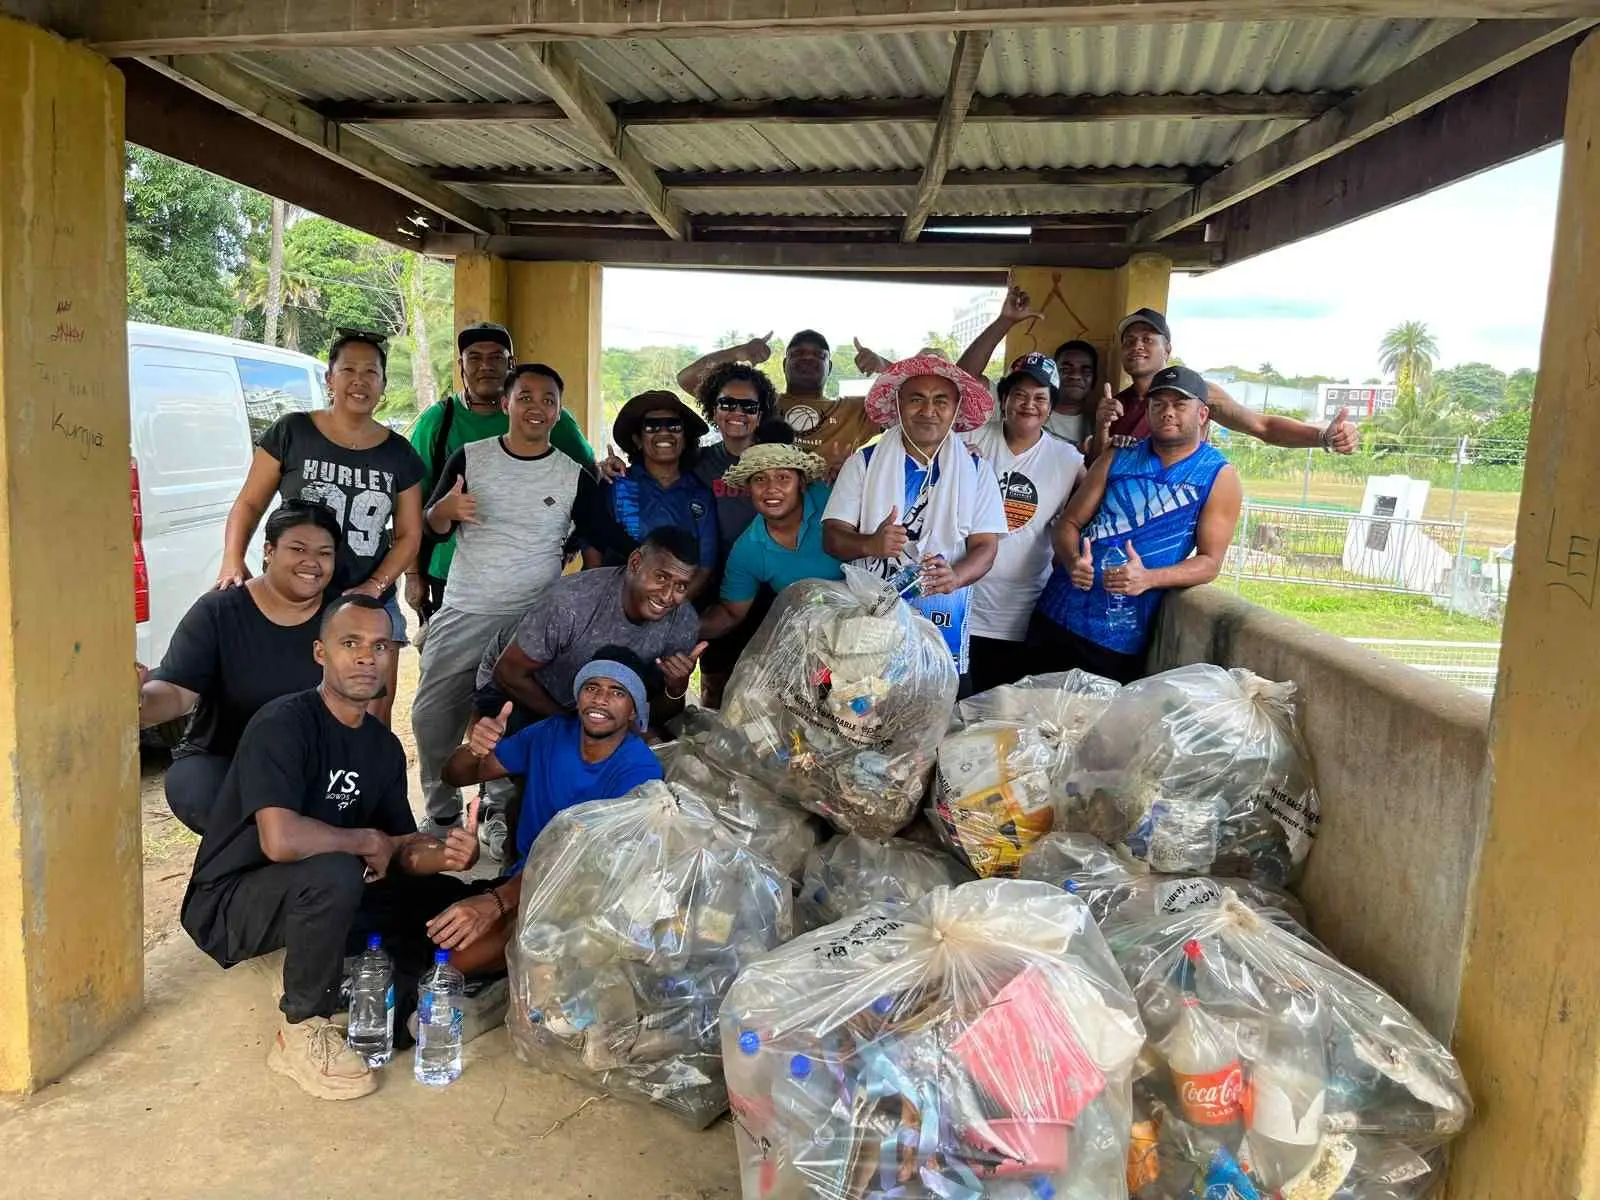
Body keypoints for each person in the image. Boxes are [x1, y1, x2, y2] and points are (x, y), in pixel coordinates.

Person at [179, 596, 481, 1101]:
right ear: (321, 653)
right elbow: (280, 840)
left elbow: (398, 850)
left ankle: (335, 965)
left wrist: (447, 853)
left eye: (380, 646)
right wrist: (363, 840)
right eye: (351, 643)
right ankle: (300, 1026)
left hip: (317, 890)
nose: (367, 657)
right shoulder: (284, 724)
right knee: (338, 870)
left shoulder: (381, 748)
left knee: (440, 894)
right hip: (232, 906)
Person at [410, 363, 634, 839]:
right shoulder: (470, 457)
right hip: (467, 606)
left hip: (535, 619)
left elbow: (602, 541)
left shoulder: (573, 475)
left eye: (548, 399)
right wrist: (444, 512)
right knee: (432, 716)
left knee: (513, 721)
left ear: (559, 411)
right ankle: (443, 810)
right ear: (507, 403)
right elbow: (431, 524)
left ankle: (498, 810)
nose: (537, 406)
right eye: (526, 396)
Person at [218, 331, 424, 725]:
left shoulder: (400, 454)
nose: (359, 380)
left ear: (383, 384)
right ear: (329, 379)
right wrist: (232, 558)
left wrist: (376, 585)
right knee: (286, 713)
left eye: (371, 372)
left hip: (367, 603)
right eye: (348, 369)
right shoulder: (292, 432)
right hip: (293, 600)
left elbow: (409, 535)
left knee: (367, 721)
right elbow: (249, 502)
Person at [423, 648, 665, 975]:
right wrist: (473, 750)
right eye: (592, 687)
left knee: (451, 964)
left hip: (582, 899)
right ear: (578, 696)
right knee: (423, 924)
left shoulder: (639, 770)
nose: (600, 699)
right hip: (523, 883)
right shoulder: (550, 732)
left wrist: (496, 903)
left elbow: (586, 863)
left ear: (634, 709)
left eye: (617, 692)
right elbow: (456, 776)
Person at [138, 501, 341, 835]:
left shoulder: (343, 617)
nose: (312, 563)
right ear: (269, 551)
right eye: (298, 549)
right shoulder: (219, 611)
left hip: (311, 766)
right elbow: (176, 692)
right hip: (223, 760)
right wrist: (138, 701)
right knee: (239, 817)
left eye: (324, 553)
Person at [1030, 365, 1243, 683]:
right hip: (1056, 612)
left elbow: (1210, 562)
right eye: (1159, 404)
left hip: (1118, 637)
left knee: (1092, 729)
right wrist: (1073, 560)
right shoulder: (1118, 456)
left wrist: (1148, 579)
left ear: (1202, 415)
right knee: (1023, 717)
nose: (1168, 412)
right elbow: (1069, 523)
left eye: (1179, 404)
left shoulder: (1218, 475)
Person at [822, 356, 1005, 692]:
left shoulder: (977, 471)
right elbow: (832, 537)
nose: (928, 410)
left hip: (943, 626)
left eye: (941, 400)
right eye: (916, 399)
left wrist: (957, 576)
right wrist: (870, 544)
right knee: (865, 718)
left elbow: (986, 546)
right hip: (871, 626)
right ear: (898, 405)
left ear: (956, 409)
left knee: (939, 727)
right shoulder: (863, 463)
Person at [405, 322, 595, 627]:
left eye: (496, 358)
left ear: (511, 364)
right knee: (455, 670)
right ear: (461, 366)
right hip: (453, 580)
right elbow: (413, 500)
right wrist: (413, 573)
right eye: (474, 358)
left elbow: (589, 481)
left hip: (528, 588)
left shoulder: (552, 421)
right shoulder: (439, 420)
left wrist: (568, 547)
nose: (485, 367)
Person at [494, 526, 706, 736]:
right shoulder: (571, 602)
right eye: (661, 578)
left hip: (607, 717)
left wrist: (676, 689)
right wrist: (575, 727)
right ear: (635, 563)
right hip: (531, 699)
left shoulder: (682, 621)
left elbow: (657, 715)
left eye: (680, 587)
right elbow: (508, 673)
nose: (668, 596)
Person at [961, 354, 1086, 694]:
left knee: (1000, 709)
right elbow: (961, 377)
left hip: (1020, 611)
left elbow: (1089, 514)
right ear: (1004, 400)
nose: (1029, 404)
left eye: (1040, 397)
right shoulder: (970, 439)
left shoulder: (1068, 460)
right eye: (1019, 395)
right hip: (959, 600)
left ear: (1051, 407)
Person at [1090, 308, 1360, 461]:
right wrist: (1101, 428)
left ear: (1167, 349)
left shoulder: (1198, 393)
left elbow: (1262, 426)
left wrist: (1324, 436)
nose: (1136, 346)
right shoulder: (1115, 405)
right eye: (1129, 340)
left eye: (1148, 339)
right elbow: (1096, 468)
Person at [698, 429, 843, 647]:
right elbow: (731, 613)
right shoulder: (748, 549)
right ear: (748, 489)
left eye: (783, 477)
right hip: (815, 640)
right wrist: (682, 630)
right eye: (759, 479)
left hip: (873, 618)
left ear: (801, 483)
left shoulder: (831, 498)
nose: (771, 488)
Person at [691, 365, 783, 707]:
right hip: (718, 587)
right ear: (714, 410)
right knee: (717, 686)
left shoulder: (779, 461)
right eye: (728, 403)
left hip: (772, 587)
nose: (737, 413)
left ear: (760, 415)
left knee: (769, 689)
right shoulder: (697, 460)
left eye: (749, 407)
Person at [679, 330, 879, 476]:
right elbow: (687, 379)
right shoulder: (756, 402)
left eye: (819, 355)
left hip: (827, 514)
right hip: (765, 505)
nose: (807, 358)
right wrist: (737, 353)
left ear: (830, 367)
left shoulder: (856, 409)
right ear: (784, 365)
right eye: (797, 354)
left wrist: (884, 366)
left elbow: (908, 406)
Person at [590, 390, 717, 599]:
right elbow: (593, 550)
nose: (664, 432)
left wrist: (666, 608)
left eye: (673, 426)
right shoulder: (615, 483)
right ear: (638, 439)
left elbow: (704, 569)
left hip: (673, 607)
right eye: (652, 426)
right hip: (612, 602)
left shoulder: (701, 495)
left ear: (685, 439)